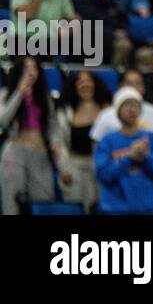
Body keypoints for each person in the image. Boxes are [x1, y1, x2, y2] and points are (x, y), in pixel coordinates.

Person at [93, 86, 153, 214]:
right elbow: (103, 175)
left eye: (136, 105)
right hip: (115, 210)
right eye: (126, 105)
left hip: (148, 209)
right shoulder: (106, 141)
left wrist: (146, 157)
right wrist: (129, 157)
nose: (132, 109)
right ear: (118, 110)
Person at [0, 56, 59, 214]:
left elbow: (53, 125)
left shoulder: (45, 97)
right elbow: (3, 121)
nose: (31, 72)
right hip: (14, 152)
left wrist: (55, 142)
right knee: (11, 203)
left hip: (39, 152)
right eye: (26, 68)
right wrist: (19, 93)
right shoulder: (6, 94)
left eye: (34, 68)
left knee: (44, 199)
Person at [52, 69, 112, 212]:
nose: (85, 85)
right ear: (74, 85)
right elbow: (58, 142)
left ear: (95, 84)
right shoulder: (65, 111)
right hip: (73, 165)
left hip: (100, 166)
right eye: (80, 81)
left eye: (88, 81)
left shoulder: (108, 110)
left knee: (101, 207)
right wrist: (63, 169)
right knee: (76, 207)